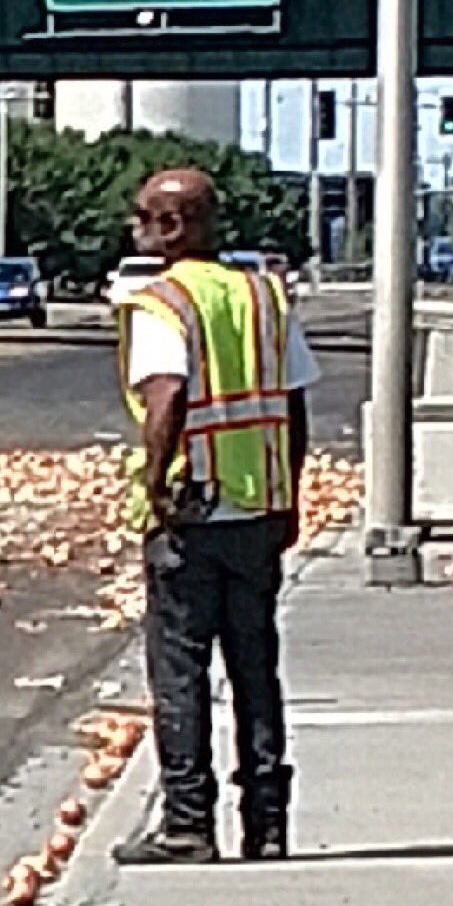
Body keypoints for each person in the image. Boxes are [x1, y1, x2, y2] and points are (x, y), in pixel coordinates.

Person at [112, 168, 319, 865]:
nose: (135, 227)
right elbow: (292, 405)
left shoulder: (162, 304)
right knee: (257, 666)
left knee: (180, 668)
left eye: (143, 216)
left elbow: (166, 398)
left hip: (191, 513)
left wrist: (155, 483)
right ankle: (267, 824)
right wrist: (288, 492)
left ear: (173, 226)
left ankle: (188, 824)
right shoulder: (264, 298)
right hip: (258, 508)